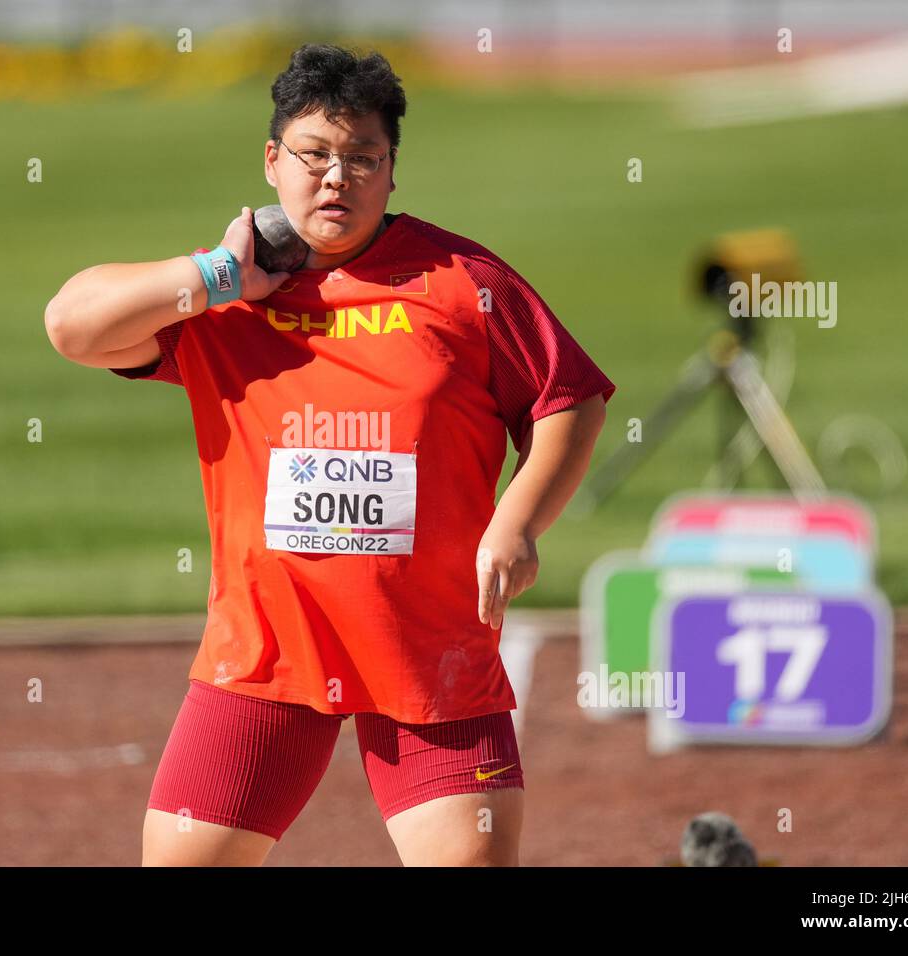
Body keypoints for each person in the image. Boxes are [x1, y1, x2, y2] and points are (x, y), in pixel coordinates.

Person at [44, 43, 616, 866]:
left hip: (429, 653)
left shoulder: (463, 282)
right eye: (314, 155)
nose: (336, 178)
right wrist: (218, 274)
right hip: (267, 653)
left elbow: (569, 399)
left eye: (362, 158)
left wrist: (518, 523)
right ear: (272, 162)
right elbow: (72, 327)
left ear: (392, 172)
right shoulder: (224, 299)